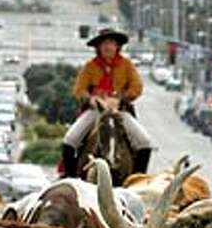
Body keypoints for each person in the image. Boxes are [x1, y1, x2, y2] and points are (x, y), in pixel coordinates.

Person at [61, 27, 153, 178]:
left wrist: (120, 99)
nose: (107, 46)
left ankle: (138, 178)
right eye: (103, 43)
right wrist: (91, 99)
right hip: (95, 111)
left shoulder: (127, 65)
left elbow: (137, 87)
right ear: (98, 47)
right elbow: (79, 89)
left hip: (119, 111)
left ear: (117, 46)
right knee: (70, 139)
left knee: (144, 142)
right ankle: (71, 177)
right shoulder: (90, 66)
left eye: (111, 43)